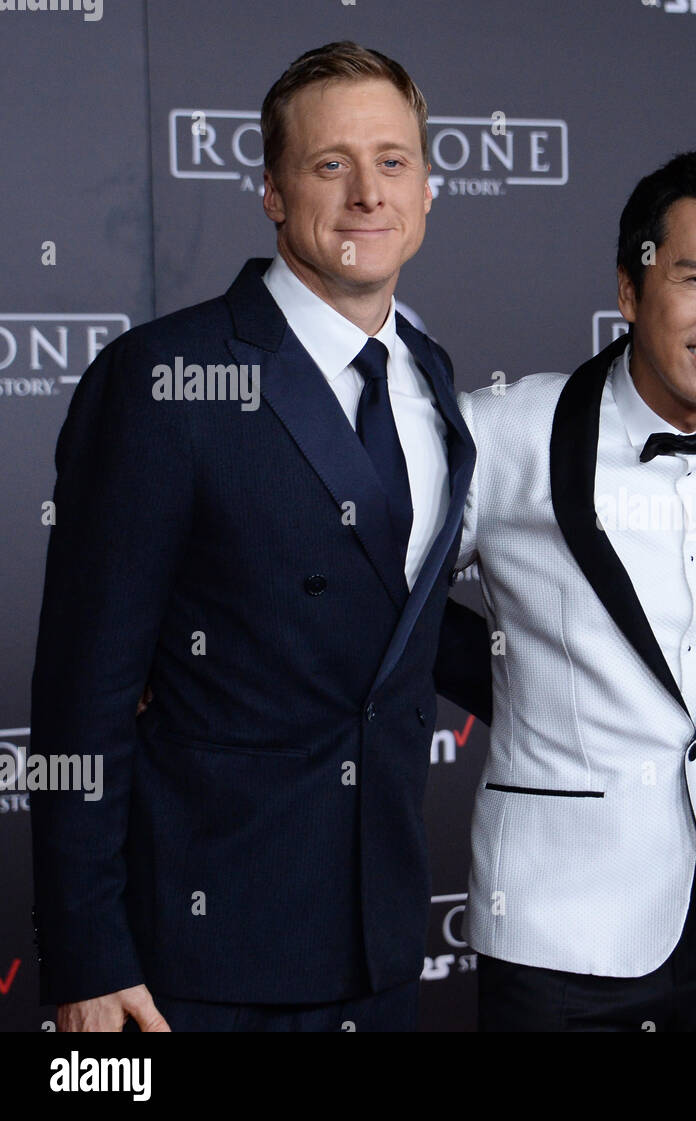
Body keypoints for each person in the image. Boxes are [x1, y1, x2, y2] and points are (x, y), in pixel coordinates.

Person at [29, 41, 485, 1032]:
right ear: (272, 192)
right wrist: (84, 954)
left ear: (429, 187)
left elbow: (388, 609)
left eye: (393, 161)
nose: (368, 192)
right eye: (331, 165)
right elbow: (82, 691)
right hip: (189, 956)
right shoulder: (163, 379)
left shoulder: (429, 371)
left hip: (382, 934)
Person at [453, 148, 696, 1031]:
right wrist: (518, 683)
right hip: (559, 927)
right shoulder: (506, 430)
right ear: (631, 289)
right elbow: (380, 597)